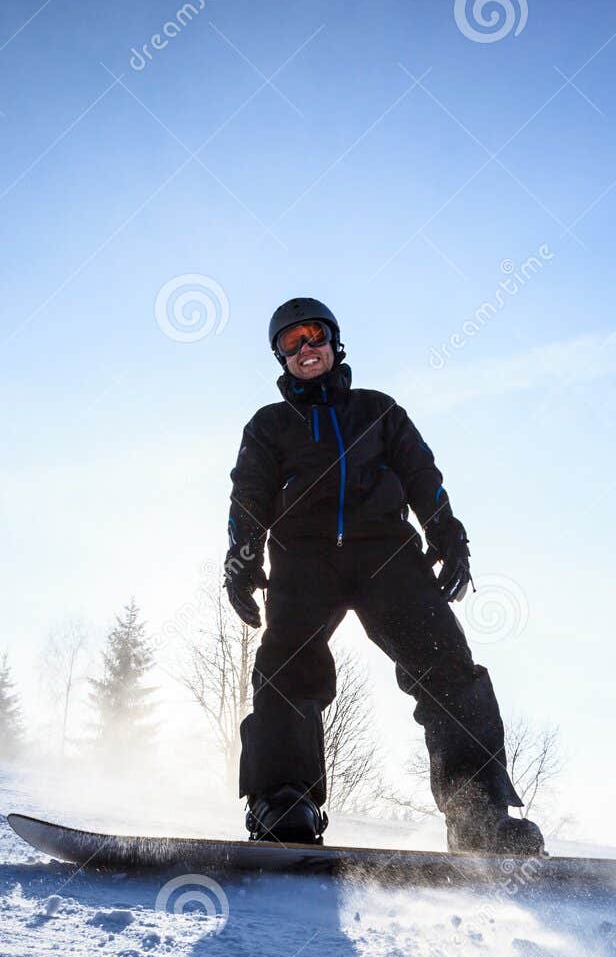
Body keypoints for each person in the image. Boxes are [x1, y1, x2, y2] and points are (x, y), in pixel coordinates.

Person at [225, 296, 544, 855]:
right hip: (304, 556)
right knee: (285, 669)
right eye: (290, 341)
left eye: (314, 336)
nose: (305, 349)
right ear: (279, 356)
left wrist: (449, 534)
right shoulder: (270, 425)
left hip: (389, 555)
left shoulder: (379, 410)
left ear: (335, 342)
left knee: (447, 666)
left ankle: (477, 815)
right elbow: (249, 494)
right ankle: (282, 802)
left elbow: (423, 473)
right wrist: (243, 556)